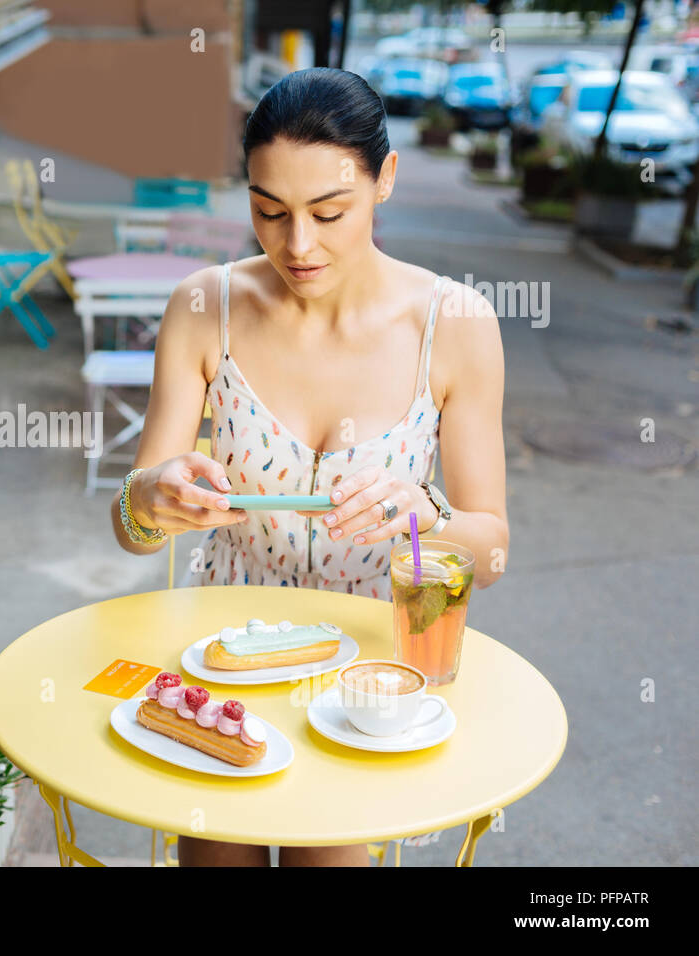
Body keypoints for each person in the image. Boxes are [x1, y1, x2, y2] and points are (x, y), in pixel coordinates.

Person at [110, 68, 509, 867]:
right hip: (220, 665)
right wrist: (153, 498)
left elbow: (491, 549)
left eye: (330, 213)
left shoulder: (454, 323)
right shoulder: (203, 306)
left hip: (369, 675)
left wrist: (425, 514)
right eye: (269, 212)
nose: (298, 245)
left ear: (384, 179)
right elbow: (133, 532)